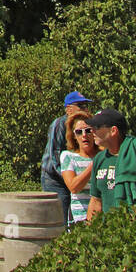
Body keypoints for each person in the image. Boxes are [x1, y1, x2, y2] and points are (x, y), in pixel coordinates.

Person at [40, 90, 94, 227]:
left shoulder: (86, 125)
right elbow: (55, 155)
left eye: (86, 106)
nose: (85, 109)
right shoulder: (59, 124)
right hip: (55, 179)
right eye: (81, 106)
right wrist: (69, 177)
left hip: (72, 175)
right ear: (69, 109)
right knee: (60, 219)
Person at [86, 110, 136, 220]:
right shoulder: (99, 159)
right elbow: (95, 201)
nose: (92, 131)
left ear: (113, 130)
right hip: (111, 232)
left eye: (97, 127)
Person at [59, 111, 97, 225]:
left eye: (88, 130)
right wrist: (94, 165)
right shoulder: (68, 157)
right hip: (79, 217)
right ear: (74, 136)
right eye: (79, 132)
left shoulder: (104, 155)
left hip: (103, 214)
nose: (84, 135)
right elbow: (73, 187)